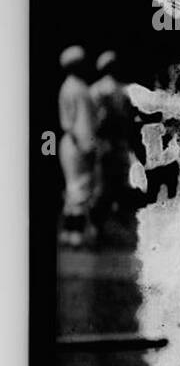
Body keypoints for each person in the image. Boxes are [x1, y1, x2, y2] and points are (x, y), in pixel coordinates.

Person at [89, 50, 137, 234]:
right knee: (109, 187)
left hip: (111, 144)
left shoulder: (98, 90)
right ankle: (99, 227)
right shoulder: (115, 91)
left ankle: (103, 229)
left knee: (110, 186)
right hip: (111, 144)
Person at [57, 45, 98, 246]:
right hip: (76, 143)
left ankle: (69, 231)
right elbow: (78, 123)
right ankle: (75, 233)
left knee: (75, 189)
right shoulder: (75, 88)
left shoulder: (75, 86)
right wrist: (85, 147)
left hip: (74, 142)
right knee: (79, 189)